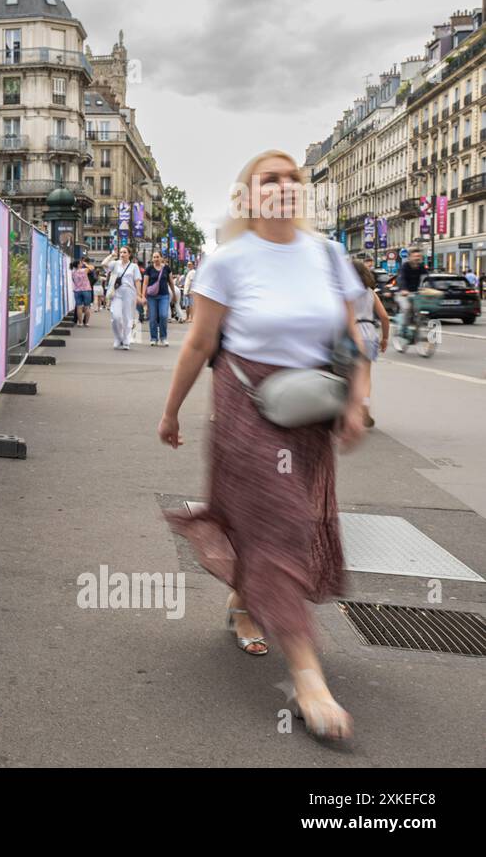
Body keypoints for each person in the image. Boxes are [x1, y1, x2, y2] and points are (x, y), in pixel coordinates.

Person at [157, 150, 370, 742]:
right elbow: (199, 345)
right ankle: (308, 679)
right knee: (278, 522)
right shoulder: (228, 261)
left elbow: (354, 341)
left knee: (286, 524)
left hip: (310, 414)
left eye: (291, 178)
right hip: (247, 405)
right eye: (267, 178)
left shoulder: (329, 256)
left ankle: (246, 600)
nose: (281, 186)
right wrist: (171, 411)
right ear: (247, 196)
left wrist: (355, 402)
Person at [352, 258, 389, 428]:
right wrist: (385, 338)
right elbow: (384, 317)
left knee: (349, 376)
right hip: (368, 333)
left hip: (350, 333)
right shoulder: (370, 293)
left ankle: (351, 409)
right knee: (365, 376)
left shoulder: (345, 293)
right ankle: (365, 405)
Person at [108, 245, 142, 349]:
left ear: (129, 254)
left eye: (124, 252)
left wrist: (139, 295)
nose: (122, 254)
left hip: (129, 292)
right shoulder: (115, 264)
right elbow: (103, 264)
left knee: (128, 317)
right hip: (117, 292)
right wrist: (111, 256)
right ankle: (118, 338)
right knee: (116, 317)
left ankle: (126, 340)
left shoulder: (134, 266)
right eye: (121, 252)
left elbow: (137, 281)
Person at [142, 251, 177, 346]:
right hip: (151, 297)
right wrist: (143, 296)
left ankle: (163, 337)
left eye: (157, 257)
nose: (156, 259)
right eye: (154, 257)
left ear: (161, 258)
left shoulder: (166, 268)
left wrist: (174, 294)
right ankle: (153, 338)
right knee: (152, 318)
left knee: (163, 316)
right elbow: (145, 283)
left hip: (164, 296)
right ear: (152, 259)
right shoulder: (149, 269)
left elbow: (171, 282)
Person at [395, 248, 427, 334]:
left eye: (419, 256)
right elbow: (401, 279)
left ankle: (416, 328)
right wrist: (404, 290)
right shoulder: (405, 266)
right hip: (403, 293)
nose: (418, 258)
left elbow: (427, 278)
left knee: (421, 309)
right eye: (415, 256)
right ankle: (402, 328)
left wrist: (431, 288)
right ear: (410, 257)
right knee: (406, 308)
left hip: (415, 294)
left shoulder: (421, 266)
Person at [71, 260, 93, 326]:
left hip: (77, 290)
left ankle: (80, 323)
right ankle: (86, 323)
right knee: (87, 307)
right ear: (78, 265)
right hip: (86, 290)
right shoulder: (84, 270)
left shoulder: (73, 272)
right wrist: (86, 264)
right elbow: (92, 268)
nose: (81, 264)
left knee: (79, 307)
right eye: (80, 263)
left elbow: (73, 280)